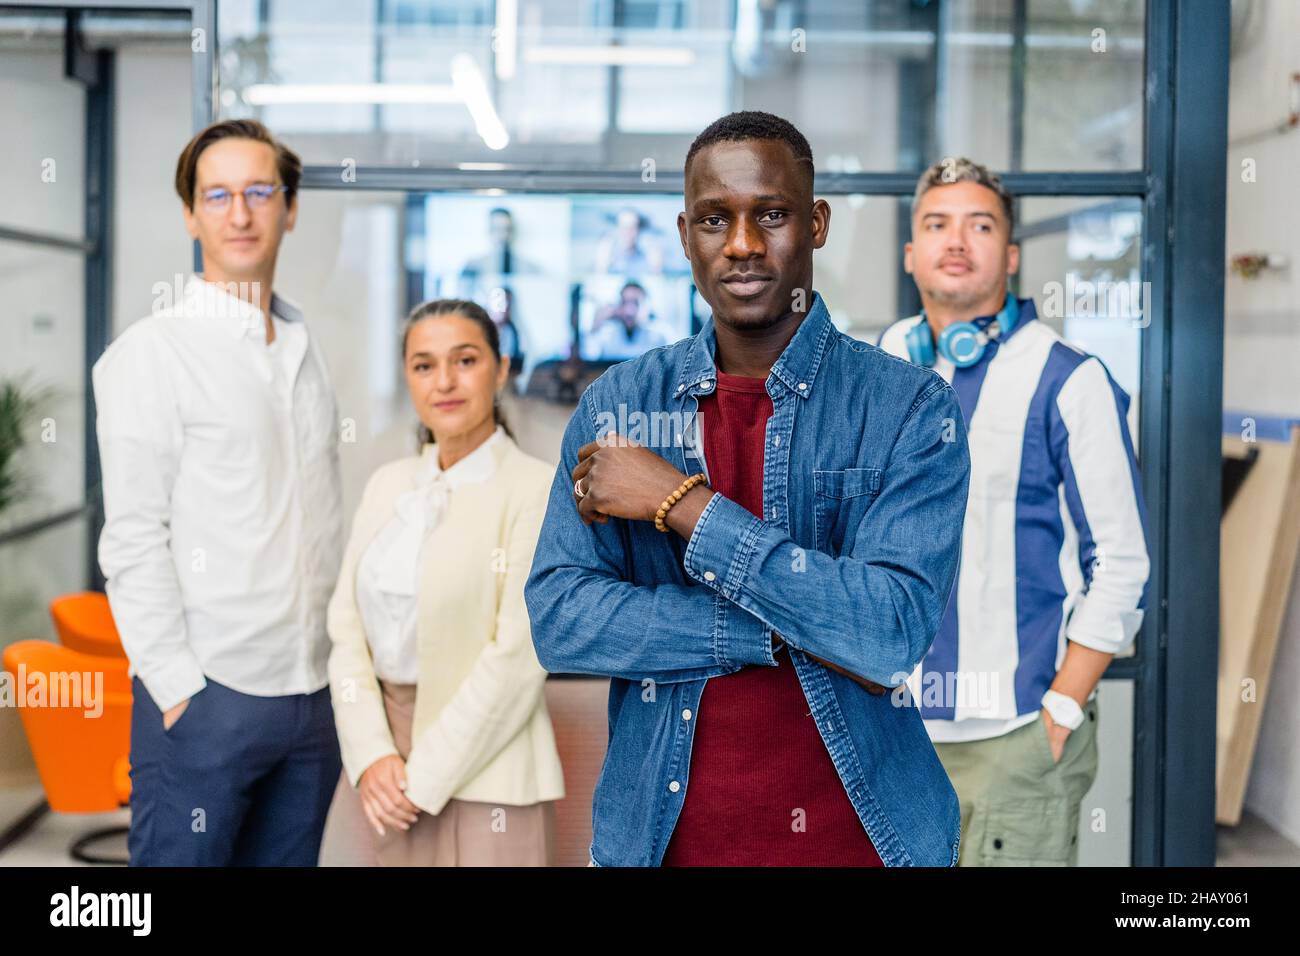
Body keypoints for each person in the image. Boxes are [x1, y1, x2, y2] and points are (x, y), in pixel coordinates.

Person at [525, 111, 970, 867]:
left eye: (771, 213)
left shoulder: (908, 408)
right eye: (713, 219)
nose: (741, 244)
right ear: (684, 233)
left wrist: (681, 505)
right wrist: (769, 631)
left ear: (817, 222)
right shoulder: (619, 407)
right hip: (660, 845)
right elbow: (562, 620)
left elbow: (890, 634)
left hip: (861, 844)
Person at [876, 157, 1150, 865]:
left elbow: (1122, 562)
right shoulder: (875, 368)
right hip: (893, 737)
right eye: (937, 224)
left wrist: (1061, 708)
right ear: (911, 252)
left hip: (1018, 738)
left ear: (1013, 254)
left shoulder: (1070, 379)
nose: (957, 240)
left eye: (981, 224)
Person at [94, 119, 343, 866]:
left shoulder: (305, 347)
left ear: (290, 208)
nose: (240, 213)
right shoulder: (152, 354)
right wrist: (176, 691)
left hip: (311, 696)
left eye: (260, 192)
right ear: (191, 213)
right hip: (209, 698)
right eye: (218, 194)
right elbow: (132, 538)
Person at [326, 299, 565, 866]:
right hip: (378, 768)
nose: (445, 382)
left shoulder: (536, 489)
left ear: (501, 369)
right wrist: (372, 756)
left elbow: (516, 657)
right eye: (424, 365)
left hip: (492, 770)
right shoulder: (388, 485)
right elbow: (344, 630)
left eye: (465, 360)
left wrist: (421, 778)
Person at [582, 280, 670, 360]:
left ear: (646, 306)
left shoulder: (658, 338)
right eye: (624, 302)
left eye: (636, 303)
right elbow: (589, 358)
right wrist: (596, 326)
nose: (629, 311)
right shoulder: (608, 336)